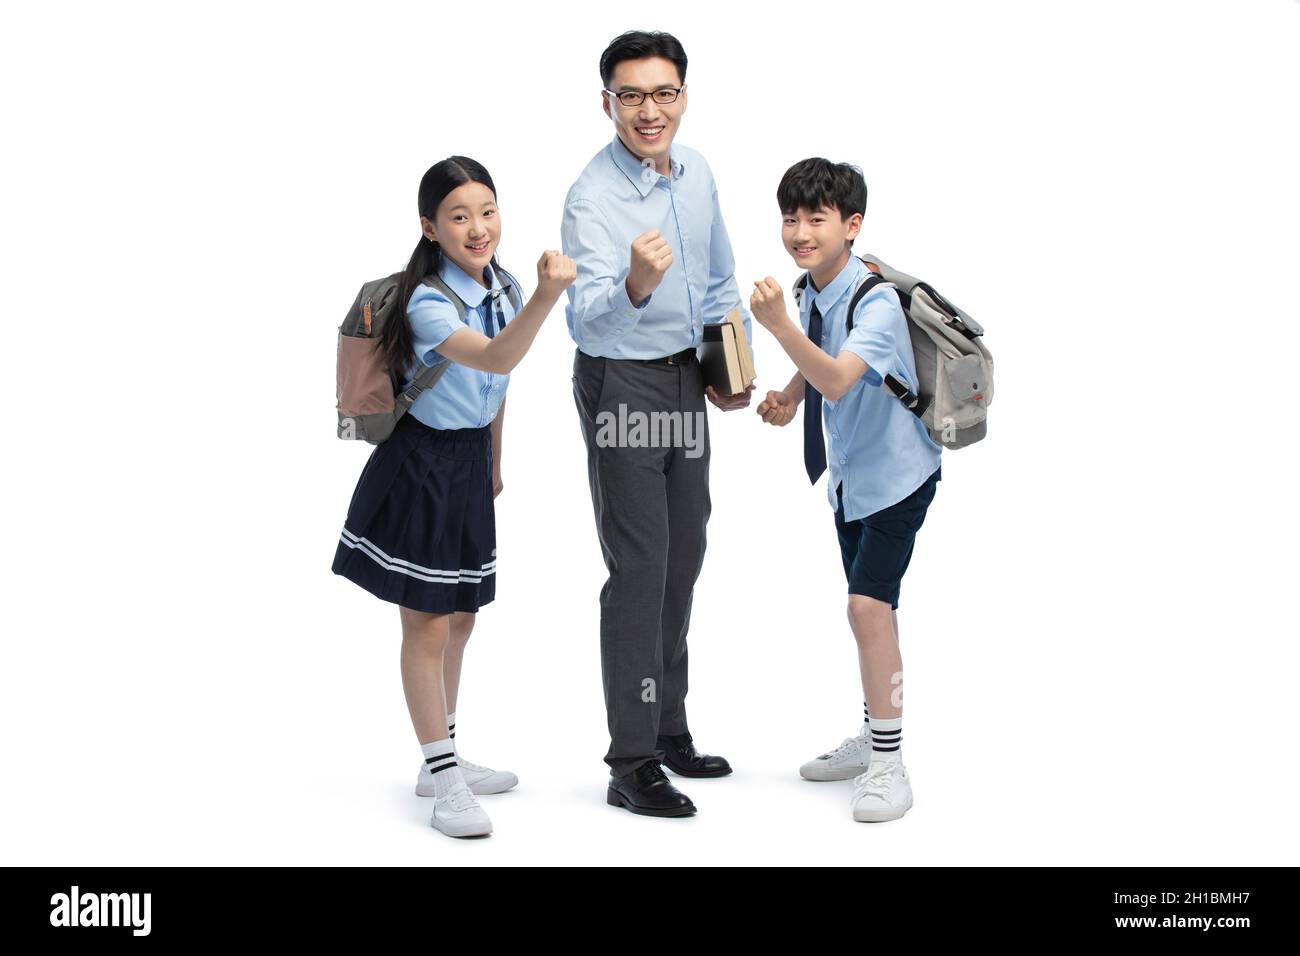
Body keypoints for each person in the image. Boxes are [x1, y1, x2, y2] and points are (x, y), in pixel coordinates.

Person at [331, 156, 575, 837]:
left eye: (487, 211)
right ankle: (442, 779)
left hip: (466, 461)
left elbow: (498, 388)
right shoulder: (427, 300)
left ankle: (442, 757)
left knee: (462, 615)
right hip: (422, 464)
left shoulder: (499, 283)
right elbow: (498, 358)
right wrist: (547, 298)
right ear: (429, 228)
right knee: (427, 624)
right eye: (459, 217)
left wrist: (495, 457)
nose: (478, 228)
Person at [562, 30, 754, 818]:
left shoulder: (698, 171)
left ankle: (668, 728)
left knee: (684, 556)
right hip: (625, 386)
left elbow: (718, 281)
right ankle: (632, 759)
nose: (650, 110)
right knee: (641, 567)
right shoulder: (592, 198)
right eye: (631, 95)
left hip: (683, 380)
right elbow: (585, 321)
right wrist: (636, 286)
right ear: (606, 101)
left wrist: (732, 366)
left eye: (663, 92)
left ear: (684, 95)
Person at [750, 158, 942, 822]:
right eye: (790, 217)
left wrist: (778, 329)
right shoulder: (811, 289)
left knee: (867, 609)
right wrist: (785, 393)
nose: (800, 231)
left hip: (896, 478)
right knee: (873, 615)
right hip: (852, 478)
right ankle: (871, 737)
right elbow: (822, 363)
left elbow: (838, 377)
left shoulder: (876, 300)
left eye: (816, 219)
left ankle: (889, 762)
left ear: (851, 225)